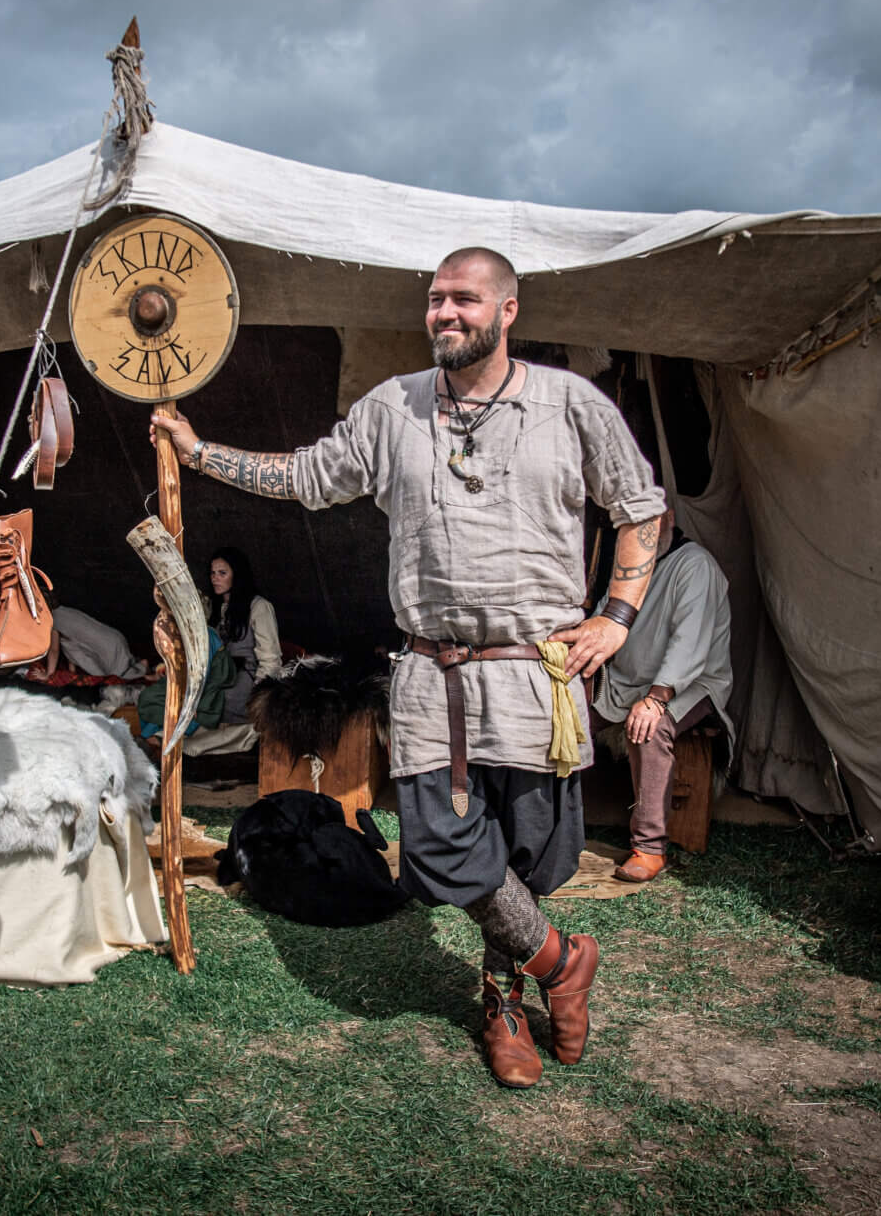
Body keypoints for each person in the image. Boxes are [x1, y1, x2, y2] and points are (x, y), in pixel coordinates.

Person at [150, 246, 669, 1089]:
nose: (444, 313)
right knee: (437, 846)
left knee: (528, 857)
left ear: (507, 310)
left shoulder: (571, 404)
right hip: (432, 678)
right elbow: (307, 476)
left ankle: (504, 1001)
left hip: (533, 676)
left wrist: (615, 617)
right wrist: (201, 449)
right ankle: (563, 961)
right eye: (435, 300)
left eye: (464, 299)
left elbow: (641, 508)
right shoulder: (393, 407)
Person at [592, 538, 733, 882]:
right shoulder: (631, 562)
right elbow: (603, 617)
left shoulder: (695, 564)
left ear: (667, 516)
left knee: (650, 731)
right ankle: (547, 828)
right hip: (626, 681)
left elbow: (690, 642)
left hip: (691, 681)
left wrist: (657, 698)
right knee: (568, 713)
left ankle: (649, 848)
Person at [203, 546, 282, 722]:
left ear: (237, 575)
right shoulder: (213, 609)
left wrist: (258, 698)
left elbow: (270, 660)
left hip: (244, 682)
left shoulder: (259, 607)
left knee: (215, 709)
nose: (215, 578)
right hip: (217, 680)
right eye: (213, 573)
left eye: (222, 573)